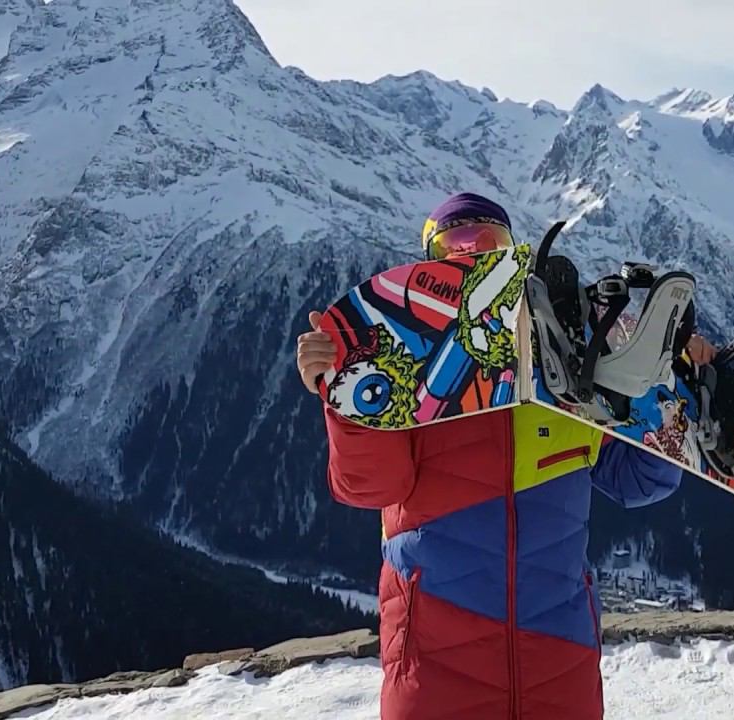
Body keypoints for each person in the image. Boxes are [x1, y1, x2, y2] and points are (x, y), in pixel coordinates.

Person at [296, 192, 705, 720]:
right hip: (435, 659)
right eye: (453, 246)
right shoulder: (409, 381)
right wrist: (349, 398)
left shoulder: (562, 380)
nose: (471, 255)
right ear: (428, 267)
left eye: (489, 241)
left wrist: (666, 392)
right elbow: (369, 486)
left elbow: (639, 481)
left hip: (558, 656)